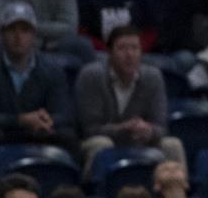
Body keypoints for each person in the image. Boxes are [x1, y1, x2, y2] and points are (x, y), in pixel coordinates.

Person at [0, 4, 78, 167]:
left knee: (68, 137)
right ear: (2, 34)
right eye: (12, 30)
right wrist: (20, 120)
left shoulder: (52, 68)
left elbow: (65, 114)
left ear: (34, 35)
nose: (18, 37)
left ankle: (65, 187)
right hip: (4, 131)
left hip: (38, 131)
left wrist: (46, 120)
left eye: (25, 30)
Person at [75, 25, 180, 172]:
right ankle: (95, 190)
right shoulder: (92, 76)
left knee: (172, 144)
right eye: (122, 48)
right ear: (109, 53)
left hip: (139, 142)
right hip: (99, 141)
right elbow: (89, 129)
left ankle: (177, 191)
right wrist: (123, 128)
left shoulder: (153, 77)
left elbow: (162, 127)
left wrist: (149, 131)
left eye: (135, 48)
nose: (129, 54)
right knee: (101, 144)